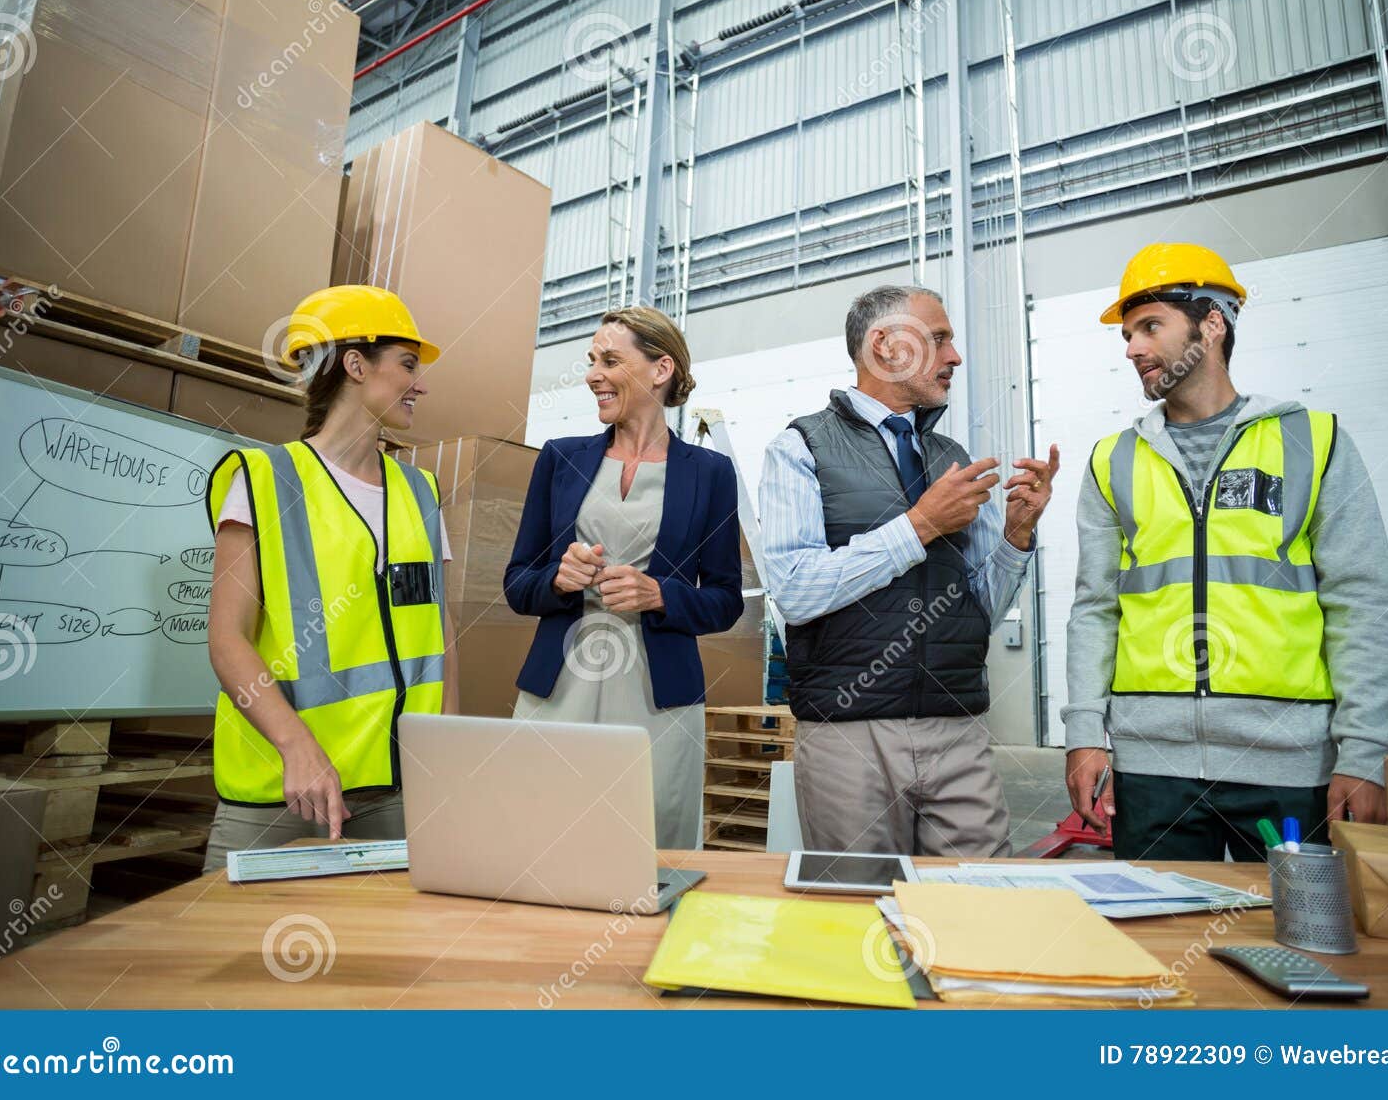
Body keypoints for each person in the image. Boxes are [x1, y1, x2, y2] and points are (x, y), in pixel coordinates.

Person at [1062, 243, 1388, 861]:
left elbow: (1364, 600)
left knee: (1299, 939)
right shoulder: (1112, 460)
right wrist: (1085, 734)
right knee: (1158, 943)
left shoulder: (1311, 440)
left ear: (1211, 324)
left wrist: (1365, 751)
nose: (1133, 348)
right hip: (1152, 766)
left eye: (1150, 327)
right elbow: (1095, 608)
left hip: (1289, 767)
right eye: (1128, 335)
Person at [759, 284, 1058, 858]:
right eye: (939, 338)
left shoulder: (951, 458)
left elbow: (980, 611)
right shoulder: (800, 447)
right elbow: (795, 592)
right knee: (858, 918)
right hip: (849, 734)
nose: (955, 357)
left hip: (959, 729)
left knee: (981, 914)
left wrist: (1017, 536)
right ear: (886, 346)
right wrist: (919, 524)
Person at [202, 285, 459, 873]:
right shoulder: (265, 478)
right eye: (408, 364)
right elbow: (228, 639)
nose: (420, 383)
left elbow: (440, 634)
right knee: (228, 956)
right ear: (355, 364)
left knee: (386, 961)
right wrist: (298, 748)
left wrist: (444, 757)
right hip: (283, 787)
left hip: (396, 790)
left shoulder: (419, 493)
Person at [505, 306, 743, 850]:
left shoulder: (710, 473)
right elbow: (519, 582)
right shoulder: (560, 459)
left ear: (661, 370)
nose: (592, 374)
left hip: (657, 699)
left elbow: (727, 599)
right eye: (591, 361)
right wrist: (557, 580)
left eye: (610, 360)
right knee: (541, 837)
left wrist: (661, 595)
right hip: (559, 688)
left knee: (647, 845)